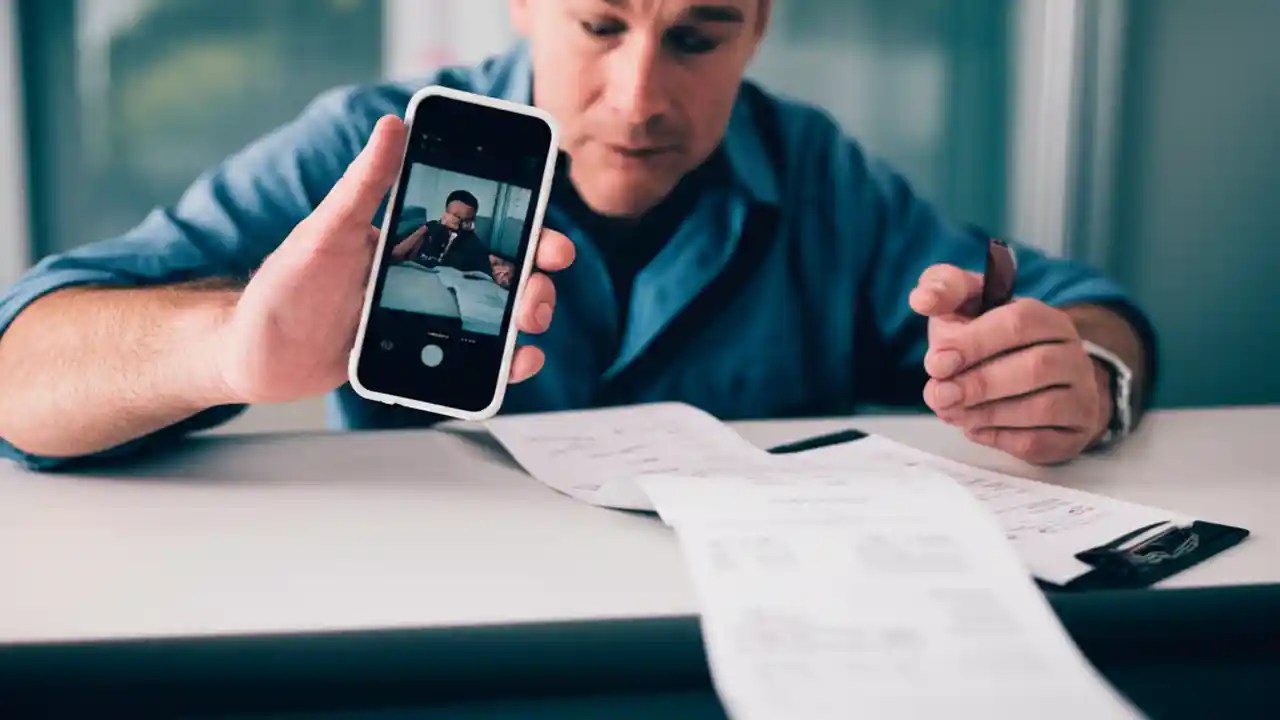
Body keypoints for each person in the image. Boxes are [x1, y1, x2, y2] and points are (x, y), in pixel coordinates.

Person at [0, 0, 1154, 471]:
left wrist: (1081, 374)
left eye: (697, 38)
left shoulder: (818, 171)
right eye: (599, 23)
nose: (640, 98)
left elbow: (1076, 304)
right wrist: (227, 352)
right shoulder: (371, 148)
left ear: (758, 26)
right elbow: (19, 368)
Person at [389, 191, 493, 275]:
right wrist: (424, 229)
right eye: (455, 216)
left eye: (466, 220)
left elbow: (484, 277)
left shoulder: (475, 246)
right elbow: (395, 254)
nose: (458, 222)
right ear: (445, 213)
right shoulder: (426, 229)